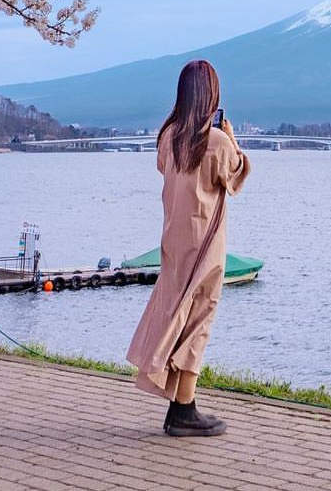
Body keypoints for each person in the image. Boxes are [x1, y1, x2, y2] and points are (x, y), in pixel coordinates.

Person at [126, 58, 251, 437]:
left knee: (177, 313)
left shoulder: (169, 137)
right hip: (205, 241)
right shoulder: (214, 142)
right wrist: (232, 139)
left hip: (173, 239)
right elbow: (233, 177)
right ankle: (184, 409)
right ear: (211, 96)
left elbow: (168, 170)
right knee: (200, 318)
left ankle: (182, 405)